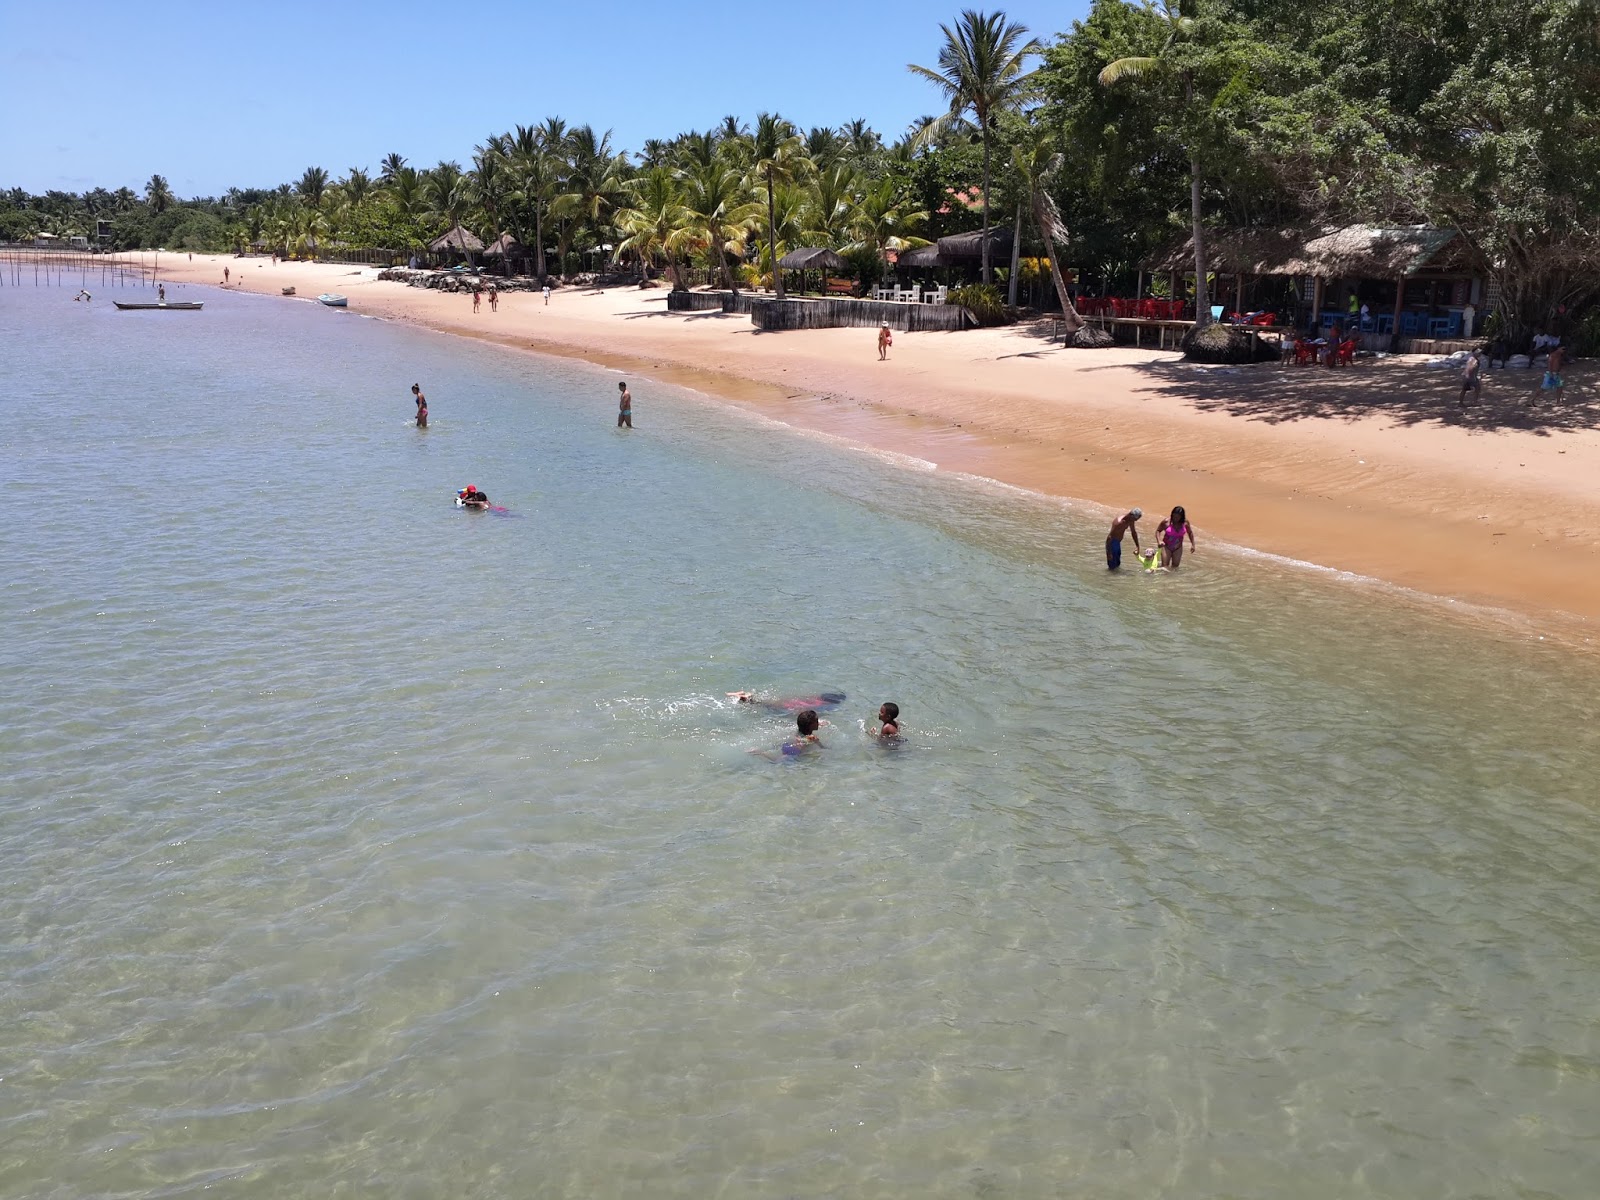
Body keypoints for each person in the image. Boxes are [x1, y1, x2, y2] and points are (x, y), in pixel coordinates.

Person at [729, 690, 846, 713]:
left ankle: (747, 696)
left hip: (789, 702)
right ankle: (746, 697)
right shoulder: (823, 704)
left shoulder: (817, 698)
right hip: (788, 706)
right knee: (767, 705)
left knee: (767, 703)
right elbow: (805, 708)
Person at [1158, 505, 1197, 570]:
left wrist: (1193, 544)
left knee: (1175, 567)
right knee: (1164, 566)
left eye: (1178, 516)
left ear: (1182, 517)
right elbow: (1158, 531)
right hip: (1166, 547)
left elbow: (1190, 532)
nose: (1175, 517)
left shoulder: (1185, 523)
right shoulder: (1166, 522)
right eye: (1174, 515)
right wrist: (1159, 541)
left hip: (1178, 548)